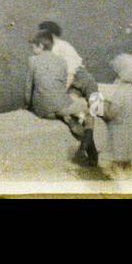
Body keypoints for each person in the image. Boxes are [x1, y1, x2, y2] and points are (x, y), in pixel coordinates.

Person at [25, 31, 97, 166]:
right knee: (88, 114)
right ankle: (87, 151)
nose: (32, 49)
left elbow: (28, 87)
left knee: (63, 106)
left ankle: (68, 119)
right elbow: (62, 86)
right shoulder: (62, 61)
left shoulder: (32, 61)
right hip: (59, 105)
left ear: (40, 46)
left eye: (33, 46)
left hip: (42, 110)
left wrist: (28, 105)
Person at [38, 21, 98, 99]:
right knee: (73, 96)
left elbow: (71, 70)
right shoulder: (47, 49)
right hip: (65, 77)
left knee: (92, 91)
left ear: (52, 35)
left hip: (78, 74)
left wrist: (63, 89)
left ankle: (98, 108)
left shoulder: (63, 46)